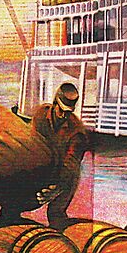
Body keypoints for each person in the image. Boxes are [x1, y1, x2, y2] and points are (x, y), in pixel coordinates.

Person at [27, 83, 89, 228]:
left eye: (68, 112)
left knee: (55, 214)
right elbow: (33, 143)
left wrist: (57, 188)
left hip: (65, 175)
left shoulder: (77, 133)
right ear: (54, 104)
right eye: (61, 110)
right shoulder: (41, 114)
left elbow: (70, 165)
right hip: (43, 163)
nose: (63, 116)